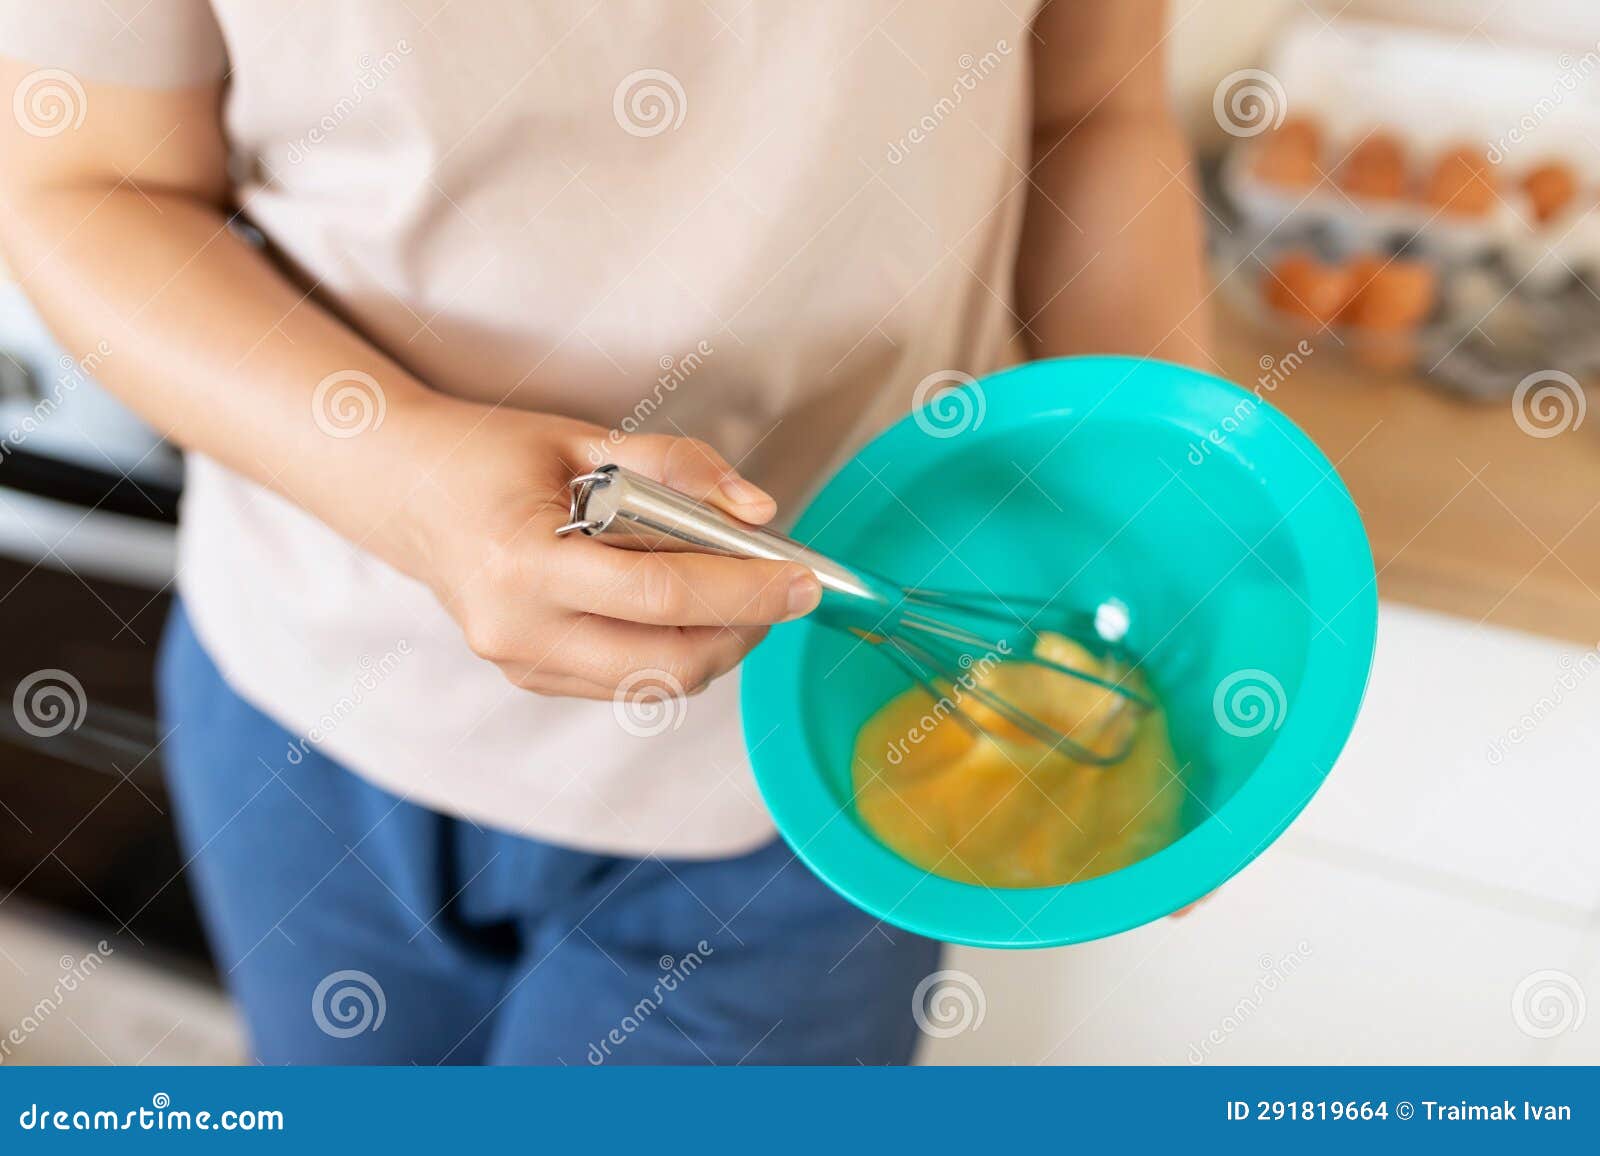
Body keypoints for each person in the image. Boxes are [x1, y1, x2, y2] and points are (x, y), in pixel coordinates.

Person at [0, 0, 1209, 1064]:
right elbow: (87, 181)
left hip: (831, 776)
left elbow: (1088, 113)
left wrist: (1153, 520)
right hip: (312, 715)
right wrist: (407, 477)